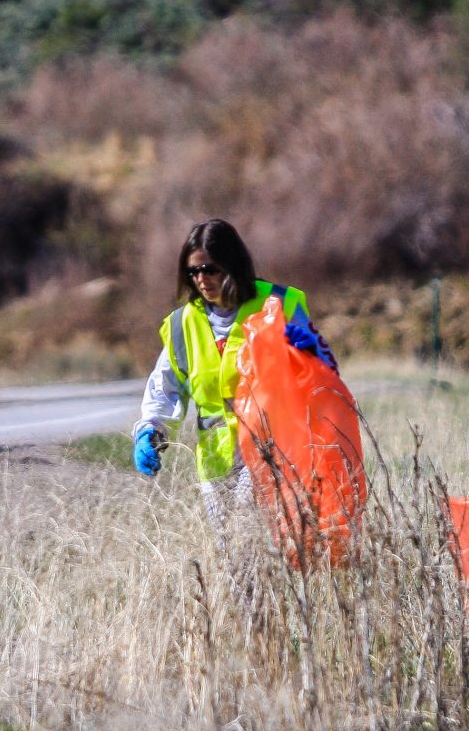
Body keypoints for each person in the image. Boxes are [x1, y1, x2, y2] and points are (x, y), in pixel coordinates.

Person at [131, 218, 336, 528]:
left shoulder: (278, 304)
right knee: (232, 559)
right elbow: (165, 386)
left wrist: (308, 357)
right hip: (215, 460)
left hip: (272, 448)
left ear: (232, 265)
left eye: (210, 269)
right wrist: (150, 430)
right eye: (193, 271)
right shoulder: (183, 323)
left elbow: (327, 373)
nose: (201, 279)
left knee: (249, 528)